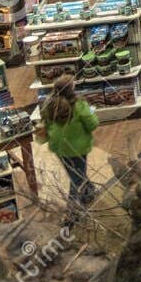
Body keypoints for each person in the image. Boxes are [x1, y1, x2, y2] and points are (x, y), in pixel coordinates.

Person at [43, 75, 98, 206]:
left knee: (75, 172)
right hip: (77, 146)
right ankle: (73, 209)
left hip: (59, 146)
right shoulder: (79, 105)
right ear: (71, 89)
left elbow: (46, 124)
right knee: (77, 179)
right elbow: (92, 124)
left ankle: (89, 191)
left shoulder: (49, 104)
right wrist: (91, 113)